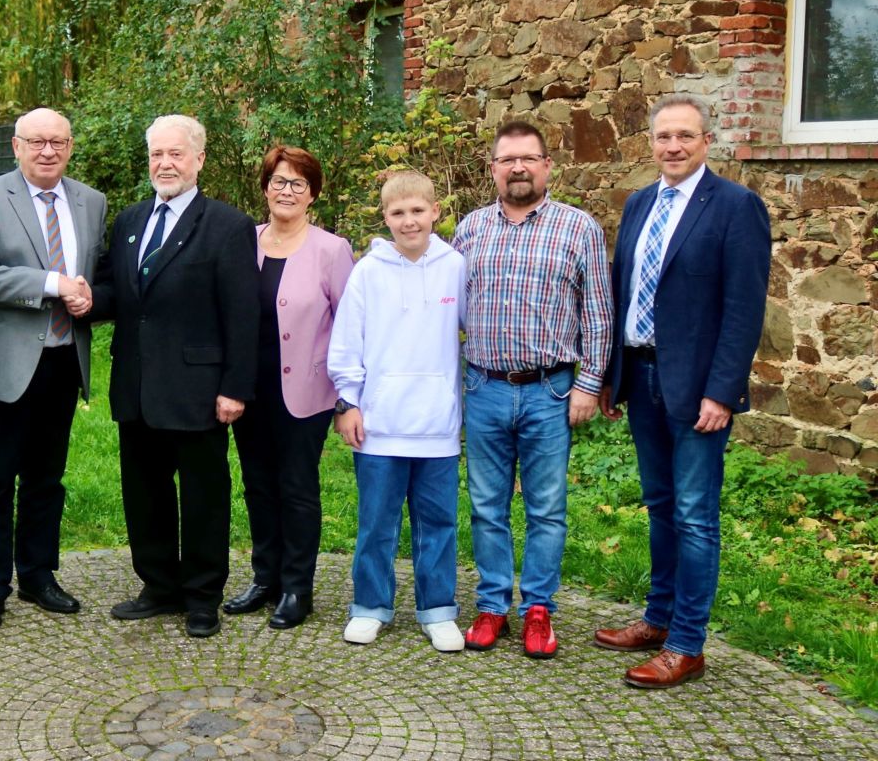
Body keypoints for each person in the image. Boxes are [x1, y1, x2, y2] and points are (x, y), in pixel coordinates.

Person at [596, 94, 770, 688]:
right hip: (643, 379)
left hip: (698, 392)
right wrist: (615, 377)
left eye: (685, 136)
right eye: (663, 136)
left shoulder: (736, 206)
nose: (673, 146)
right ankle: (658, 617)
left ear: (706, 142)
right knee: (661, 505)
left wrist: (722, 392)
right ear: (651, 143)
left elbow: (744, 310)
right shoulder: (641, 202)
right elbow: (626, 292)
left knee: (695, 515)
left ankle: (688, 644)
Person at [90, 114, 259, 639]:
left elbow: (242, 314)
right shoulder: (131, 220)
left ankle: (203, 595)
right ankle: (159, 586)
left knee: (204, 494)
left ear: (199, 160)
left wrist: (235, 387)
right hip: (138, 384)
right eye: (156, 155)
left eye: (176, 154)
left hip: (199, 389)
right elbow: (119, 295)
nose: (165, 164)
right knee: (144, 490)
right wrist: (84, 298)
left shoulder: (227, 225)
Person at [452, 121, 613, 659]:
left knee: (546, 507)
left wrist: (589, 385)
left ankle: (539, 609)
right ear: (493, 169)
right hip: (485, 387)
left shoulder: (579, 228)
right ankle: (494, 603)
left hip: (550, 391)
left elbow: (598, 314)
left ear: (547, 165)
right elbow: (448, 312)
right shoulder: (470, 229)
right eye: (507, 159)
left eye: (529, 158)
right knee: (486, 505)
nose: (517, 167)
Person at [0, 107, 107, 632]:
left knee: (47, 478)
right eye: (37, 141)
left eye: (58, 142)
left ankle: (38, 575)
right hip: (5, 364)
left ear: (70, 146)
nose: (48, 151)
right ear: (16, 146)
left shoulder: (92, 201)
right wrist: (54, 285)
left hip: (64, 361)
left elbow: (94, 274)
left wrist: (89, 299)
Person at [327, 169, 467, 653]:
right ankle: (370, 606)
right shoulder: (369, 271)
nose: (409, 221)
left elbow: (476, 330)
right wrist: (348, 402)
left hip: (437, 426)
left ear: (435, 212)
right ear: (385, 218)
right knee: (377, 523)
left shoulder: (456, 267)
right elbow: (346, 344)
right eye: (398, 213)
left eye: (417, 211)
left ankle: (438, 609)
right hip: (380, 426)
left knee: (438, 524)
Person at [224, 146, 354, 630]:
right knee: (257, 484)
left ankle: (298, 588)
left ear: (313, 194)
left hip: (306, 391)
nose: (287, 191)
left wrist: (347, 397)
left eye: (298, 183)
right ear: (264, 188)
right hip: (247, 388)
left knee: (296, 487)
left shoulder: (331, 249)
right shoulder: (244, 241)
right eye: (278, 181)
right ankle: (265, 579)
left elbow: (351, 325)